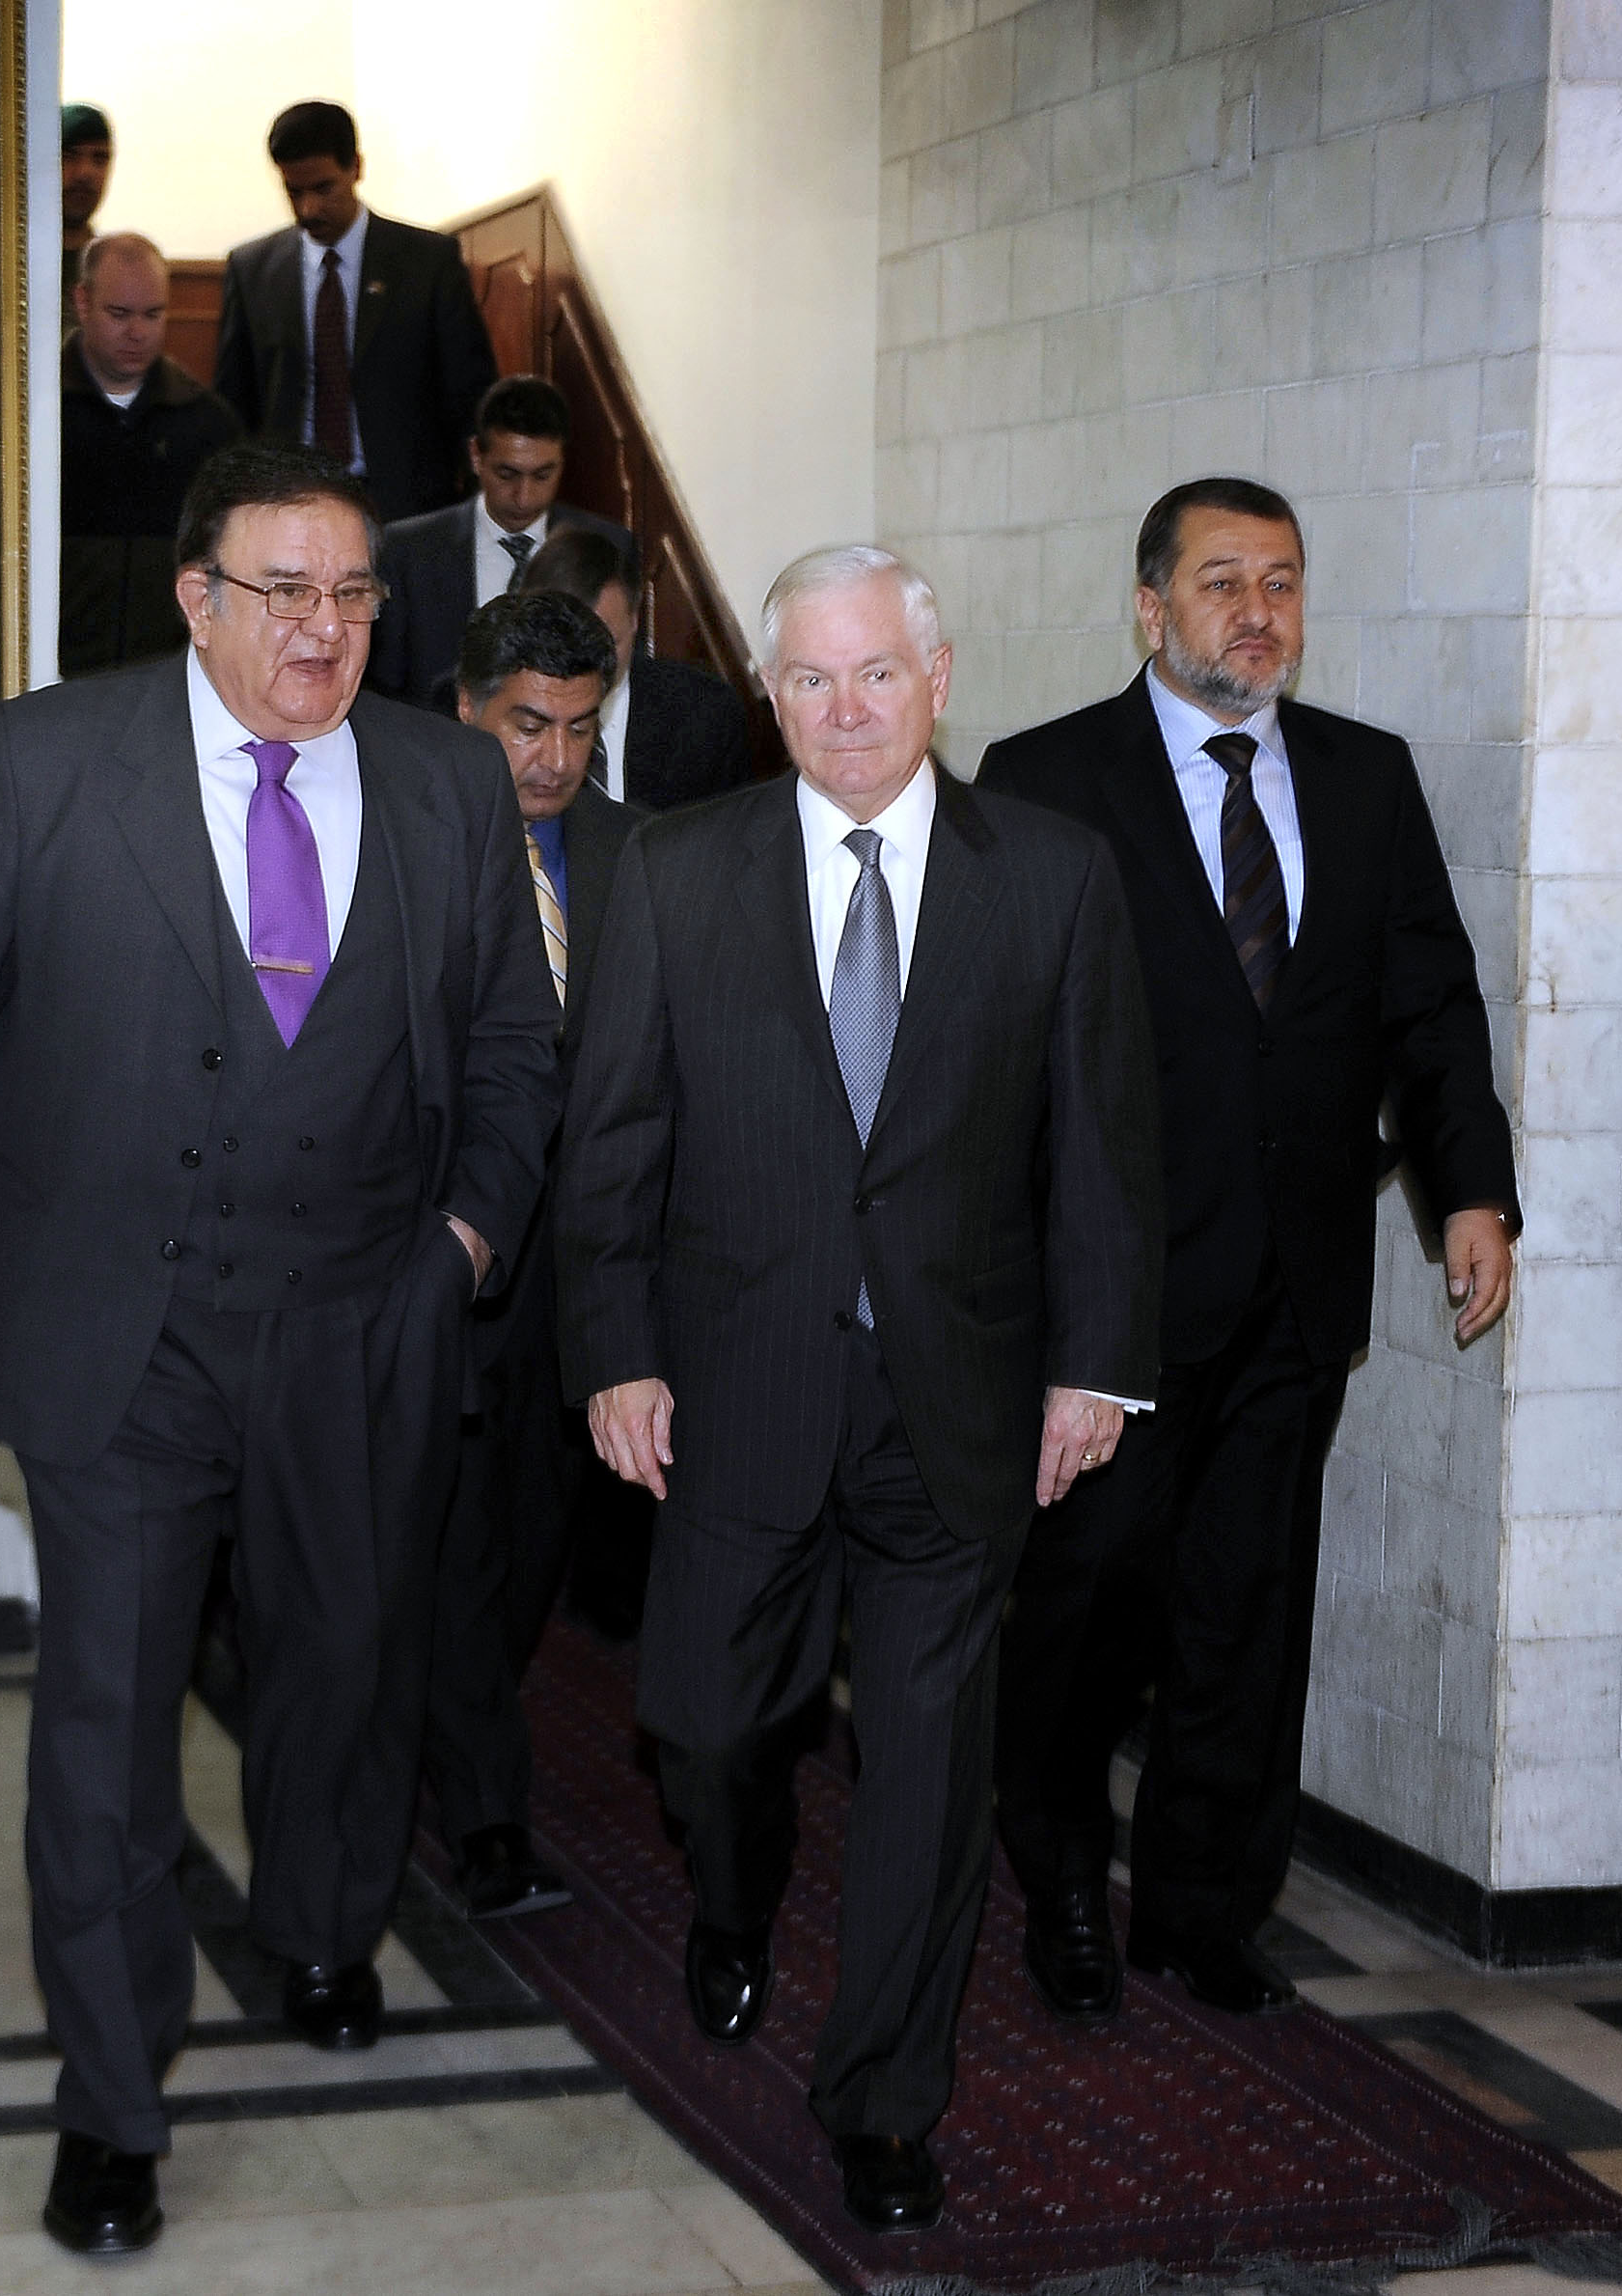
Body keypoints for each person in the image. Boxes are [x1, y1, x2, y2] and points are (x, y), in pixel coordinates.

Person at [0, 440, 556, 2259]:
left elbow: (520, 1047)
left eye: (355, 591)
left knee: (345, 1669)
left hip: (365, 1316)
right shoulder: (44, 763)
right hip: (117, 1334)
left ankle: (320, 1920)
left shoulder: (451, 785)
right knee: (110, 1726)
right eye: (282, 589)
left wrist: (461, 1239)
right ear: (197, 596)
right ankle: (114, 2095)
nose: (324, 627)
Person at [557, 543, 1160, 2233]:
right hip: (736, 1394)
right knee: (703, 1726)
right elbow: (609, 1141)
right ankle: (731, 1896)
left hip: (958, 1415)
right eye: (808, 680)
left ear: (939, 677)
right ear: (771, 694)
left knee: (927, 1769)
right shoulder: (680, 873)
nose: (843, 710)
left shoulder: (1050, 876)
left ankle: (887, 2092)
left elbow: (1102, 1147)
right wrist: (613, 1348)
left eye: (875, 674)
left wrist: (1095, 1367)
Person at [977, 478, 1517, 2025]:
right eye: (1222, 581)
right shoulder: (1045, 778)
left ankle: (1209, 1905)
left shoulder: (1363, 777)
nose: (1257, 611)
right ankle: (1066, 1879)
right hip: (1115, 1298)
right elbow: (1003, 1039)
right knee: (1091, 1604)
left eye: (1280, 581)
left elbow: (1429, 1001)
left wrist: (1468, 1191)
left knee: (1247, 1610)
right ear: (1151, 604)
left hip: (1294, 1281)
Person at [424, 591, 642, 1923]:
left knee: (531, 1542)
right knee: (454, 1546)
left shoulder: (639, 853)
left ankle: (453, 1736)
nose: (554, 756)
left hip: (586, 1278)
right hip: (446, 1260)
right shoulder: (409, 840)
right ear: (467, 708)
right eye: (526, 724)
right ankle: (487, 1814)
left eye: (577, 725)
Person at [209, 100, 498, 524]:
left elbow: (468, 392)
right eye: (294, 192)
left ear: (356, 168)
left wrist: (475, 503)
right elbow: (232, 405)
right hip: (286, 505)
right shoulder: (252, 270)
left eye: (323, 188)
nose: (308, 209)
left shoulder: (427, 263)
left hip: (407, 506)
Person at [367, 374, 629, 704]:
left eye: (543, 475)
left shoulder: (610, 548)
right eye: (507, 474)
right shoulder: (408, 551)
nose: (524, 496)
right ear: (477, 456)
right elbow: (385, 690)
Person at [62, 233, 243, 677]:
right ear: (82, 303)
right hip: (57, 664)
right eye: (119, 314)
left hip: (170, 669)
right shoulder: (35, 420)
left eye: (153, 314)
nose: (137, 333)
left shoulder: (208, 424)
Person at [513, 527, 756, 813]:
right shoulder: (487, 714)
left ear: (634, 620)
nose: (588, 667)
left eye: (606, 645)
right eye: (566, 647)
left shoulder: (707, 716)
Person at [61, 104, 113, 309]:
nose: (84, 173)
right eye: (69, 157)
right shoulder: (15, 262)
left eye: (99, 159)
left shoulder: (110, 268)